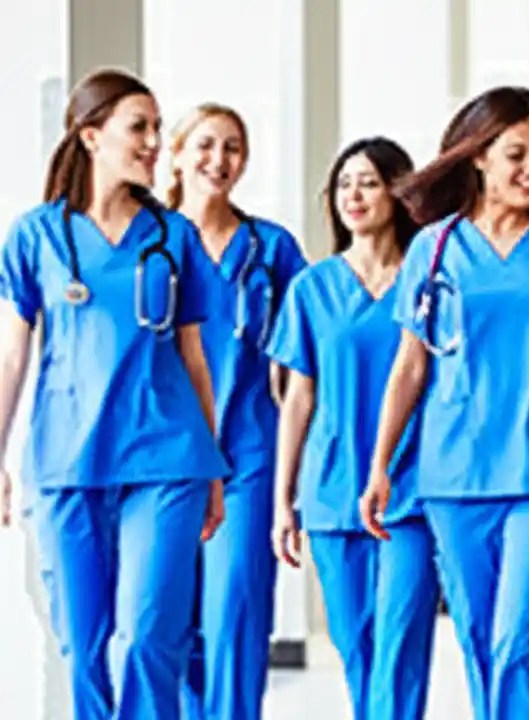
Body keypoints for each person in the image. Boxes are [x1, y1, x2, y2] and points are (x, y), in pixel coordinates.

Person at [363, 85, 529, 720]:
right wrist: (380, 464)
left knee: (523, 637)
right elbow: (409, 366)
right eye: (517, 156)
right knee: (477, 639)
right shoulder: (435, 246)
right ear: (477, 159)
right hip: (454, 471)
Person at [0, 68, 228, 720]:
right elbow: (11, 353)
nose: (156, 142)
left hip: (168, 456)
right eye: (141, 128)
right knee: (83, 641)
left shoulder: (172, 237)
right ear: (92, 136)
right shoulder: (37, 236)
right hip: (66, 460)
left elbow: (193, 358)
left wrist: (211, 468)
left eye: (158, 128)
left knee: (148, 636)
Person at [267, 137, 441, 720]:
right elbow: (297, 401)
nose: (354, 195)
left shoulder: (427, 282)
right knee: (355, 644)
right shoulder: (312, 288)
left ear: (397, 191)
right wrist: (282, 502)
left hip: (409, 484)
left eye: (368, 181)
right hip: (332, 487)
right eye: (344, 184)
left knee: (401, 641)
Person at [167, 102, 309, 720]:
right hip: (165, 454)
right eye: (204, 145)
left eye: (231, 148)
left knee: (236, 612)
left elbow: (310, 348)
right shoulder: (151, 243)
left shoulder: (271, 248)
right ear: (176, 153)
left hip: (248, 449)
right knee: (171, 618)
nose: (218, 160)